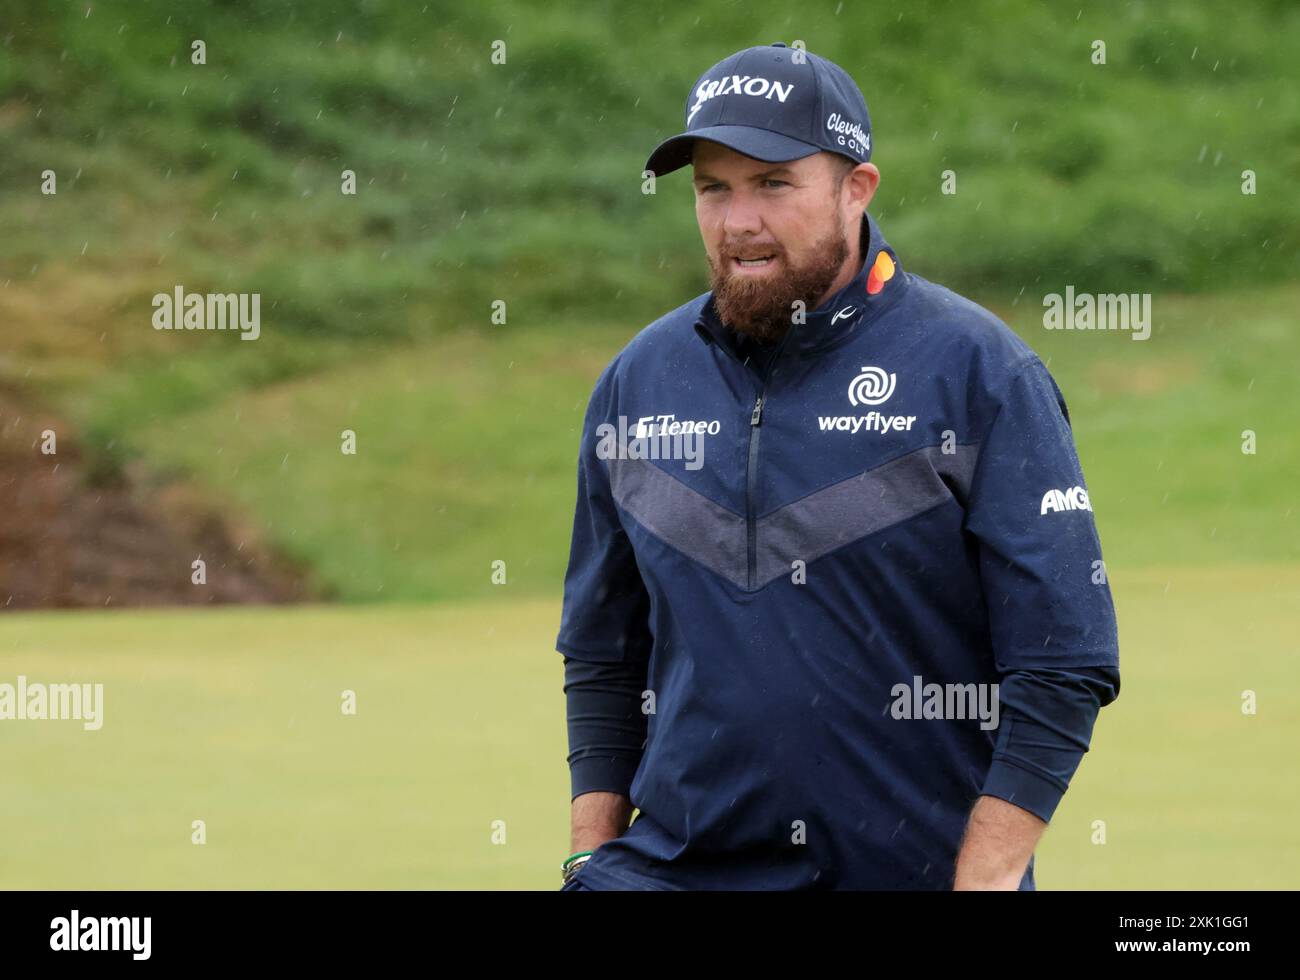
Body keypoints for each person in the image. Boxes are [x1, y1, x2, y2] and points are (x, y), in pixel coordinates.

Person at [556, 43, 1120, 890]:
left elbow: (1064, 660)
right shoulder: (638, 382)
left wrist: (989, 879)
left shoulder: (978, 373)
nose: (738, 221)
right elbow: (603, 651)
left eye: (773, 184)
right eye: (714, 187)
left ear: (857, 189)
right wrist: (589, 856)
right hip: (668, 872)